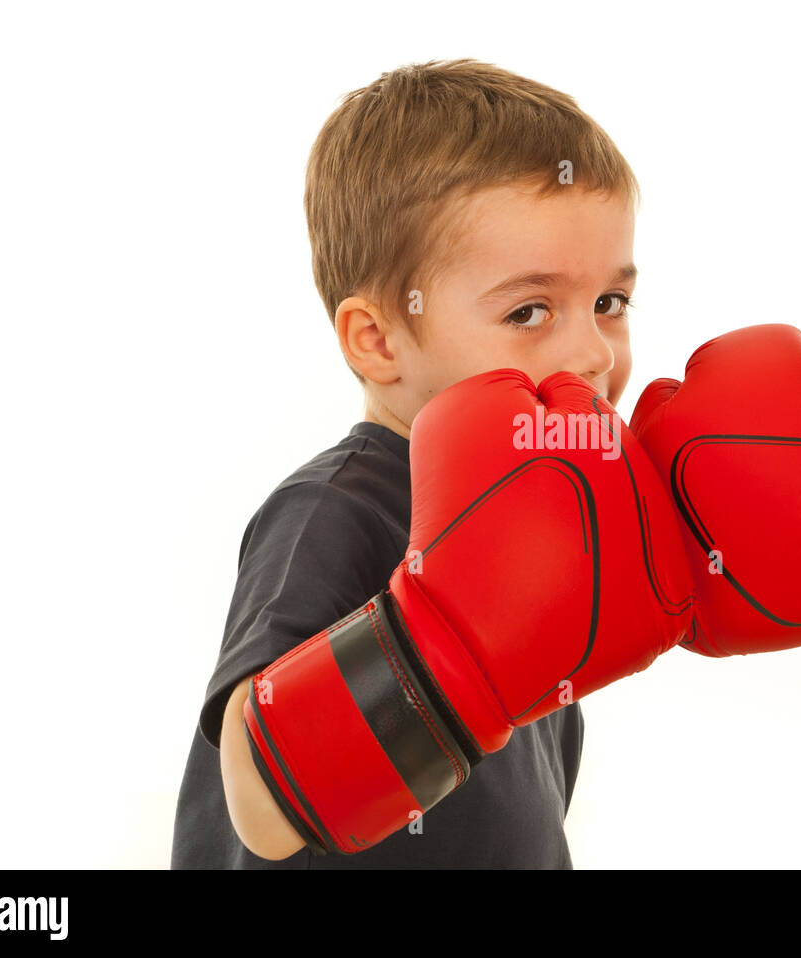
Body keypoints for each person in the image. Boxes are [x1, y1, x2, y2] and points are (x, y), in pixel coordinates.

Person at [171, 58, 656, 868]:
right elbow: (256, 794)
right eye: (529, 310)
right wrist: (438, 659)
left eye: (610, 303)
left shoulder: (543, 535)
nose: (592, 353)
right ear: (378, 339)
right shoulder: (338, 509)